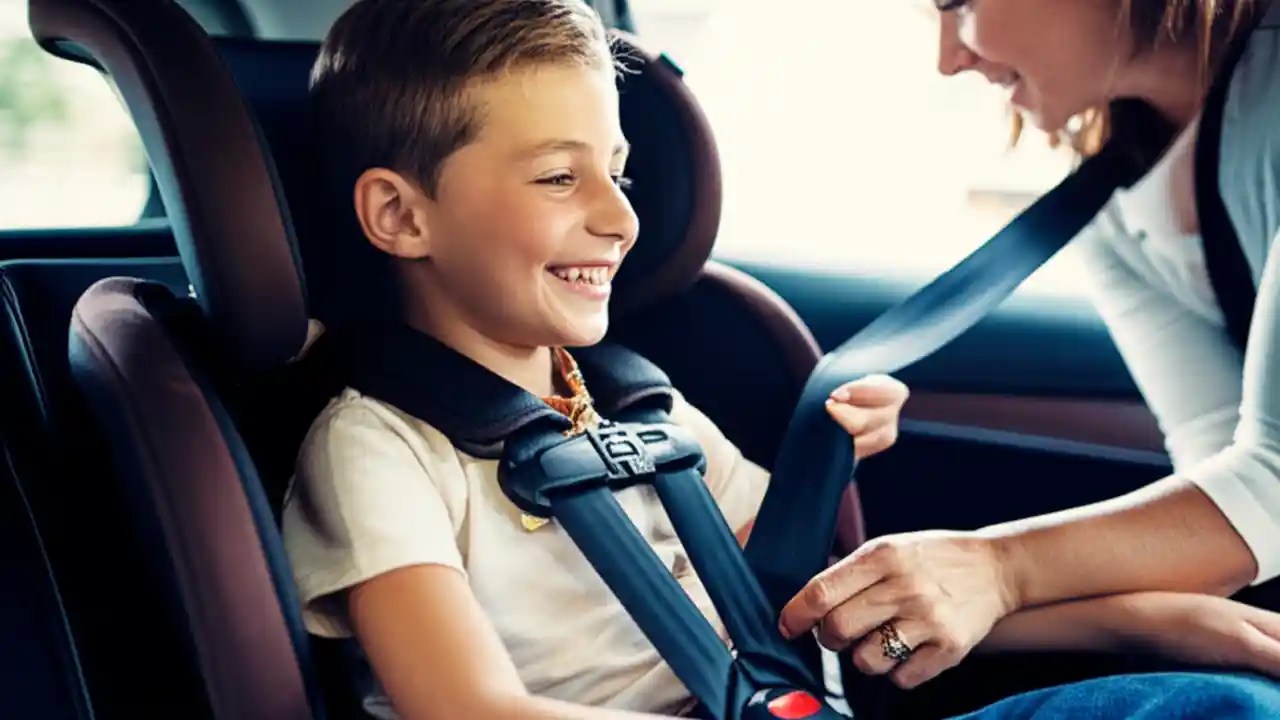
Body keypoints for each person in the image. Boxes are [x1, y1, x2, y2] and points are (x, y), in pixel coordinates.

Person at [279, 0, 1280, 717]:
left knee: (1219, 701)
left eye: (620, 174)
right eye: (557, 178)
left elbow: (828, 604)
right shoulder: (376, 448)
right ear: (400, 215)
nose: (620, 217)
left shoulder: (649, 416)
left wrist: (1144, 623)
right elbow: (465, 707)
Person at [777, 0, 1280, 704]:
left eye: (960, 5)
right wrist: (1144, 620)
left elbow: (1270, 490)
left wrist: (1001, 569)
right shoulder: (1113, 199)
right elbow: (1219, 496)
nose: (949, 58)